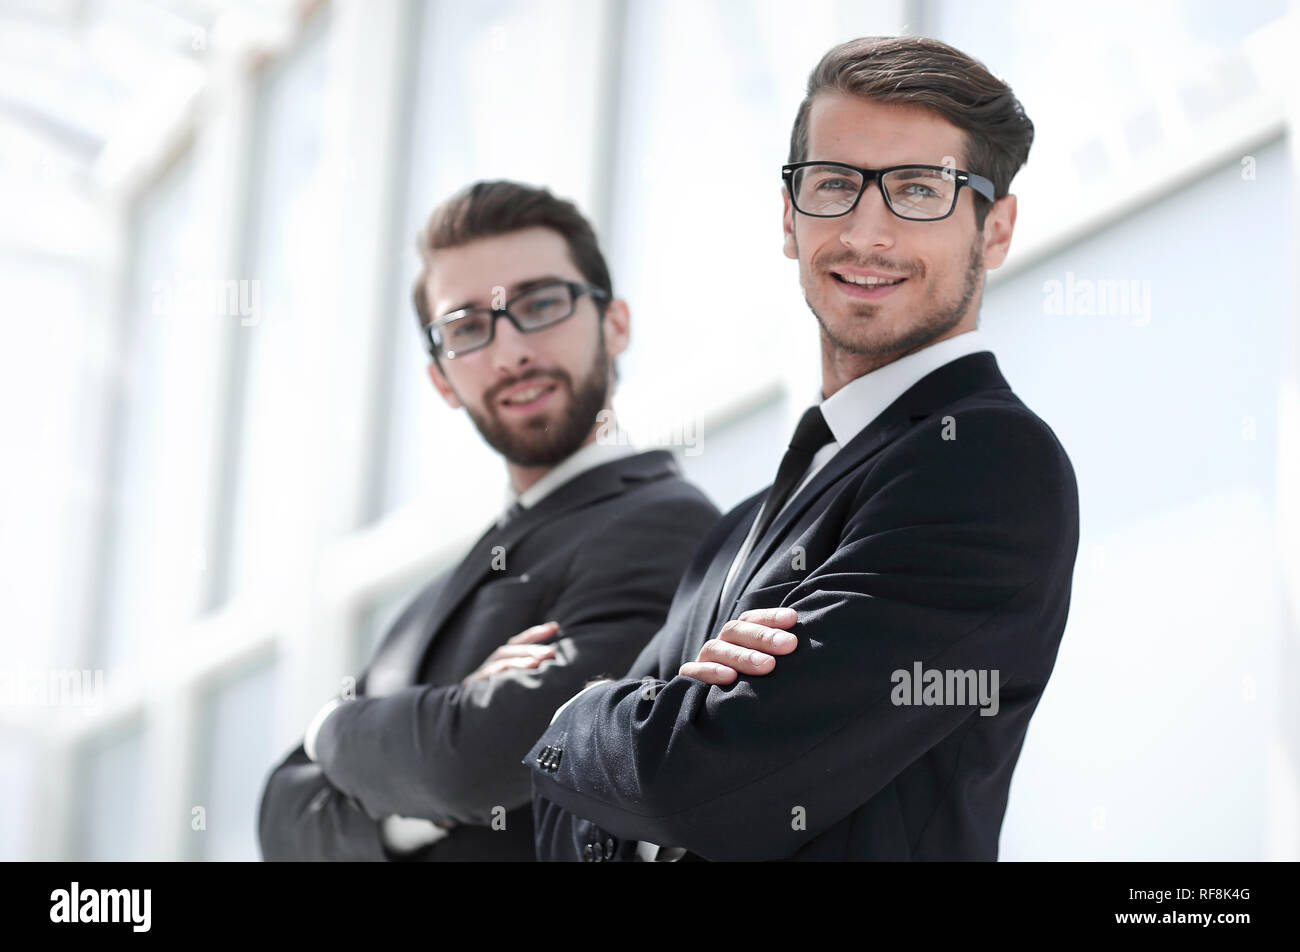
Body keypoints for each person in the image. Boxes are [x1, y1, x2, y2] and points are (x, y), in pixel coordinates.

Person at [525, 35, 1080, 862]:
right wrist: (646, 736)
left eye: (918, 191)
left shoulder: (988, 466)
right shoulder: (732, 534)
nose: (867, 232)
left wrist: (584, 713)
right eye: (834, 186)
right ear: (789, 218)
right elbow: (557, 825)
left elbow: (699, 785)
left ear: (994, 229)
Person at [257, 180, 719, 861]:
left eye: (539, 303)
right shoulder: (428, 603)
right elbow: (281, 818)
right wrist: (417, 807)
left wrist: (334, 729)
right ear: (442, 380)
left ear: (614, 323)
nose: (510, 353)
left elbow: (485, 761)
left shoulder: (665, 526)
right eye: (468, 328)